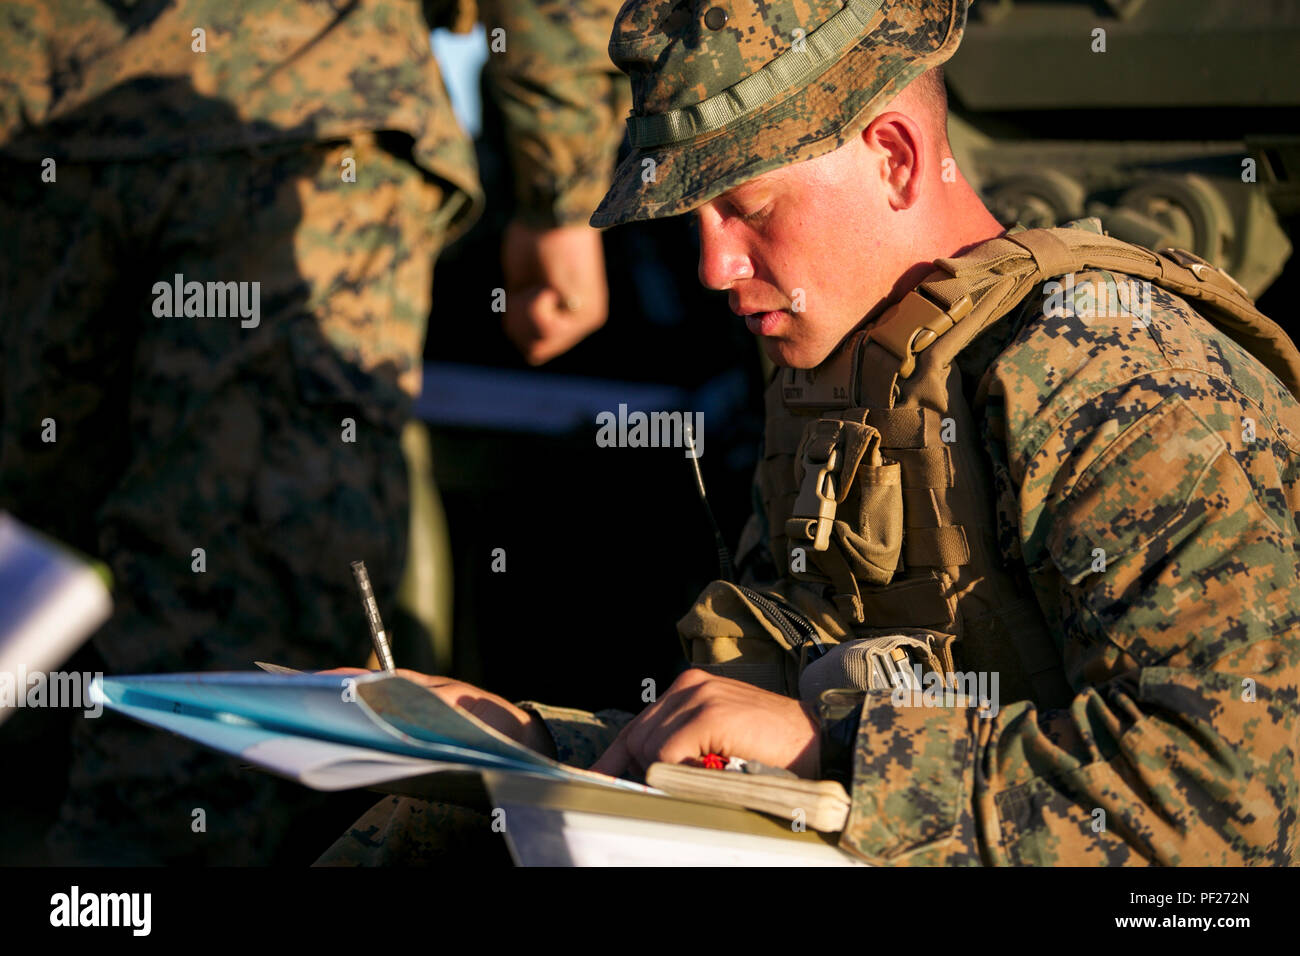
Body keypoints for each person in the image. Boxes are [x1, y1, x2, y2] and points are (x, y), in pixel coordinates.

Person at [320, 0, 1300, 867]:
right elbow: (746, 748)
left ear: (894, 157)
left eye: (745, 208)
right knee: (425, 825)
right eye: (692, 218)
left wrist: (831, 742)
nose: (710, 264)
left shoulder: (1115, 374)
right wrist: (516, 740)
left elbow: (1226, 808)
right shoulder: (835, 381)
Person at [0, 0, 628, 864]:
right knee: (246, 644)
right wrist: (560, 184)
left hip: (41, 127)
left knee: (31, 610)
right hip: (299, 110)